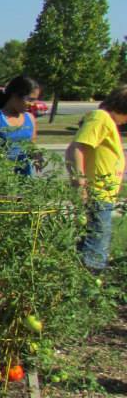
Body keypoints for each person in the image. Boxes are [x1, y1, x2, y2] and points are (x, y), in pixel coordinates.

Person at [65, 85, 127, 272]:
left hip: (103, 195)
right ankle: (89, 280)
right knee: (96, 244)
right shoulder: (100, 117)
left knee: (95, 239)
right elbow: (76, 148)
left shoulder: (106, 122)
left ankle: (84, 276)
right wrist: (79, 181)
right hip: (96, 194)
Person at [0, 76, 39, 175]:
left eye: (35, 100)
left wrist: (37, 156)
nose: (33, 104)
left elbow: (32, 146)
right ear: (15, 95)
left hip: (24, 179)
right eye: (30, 99)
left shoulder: (30, 118)